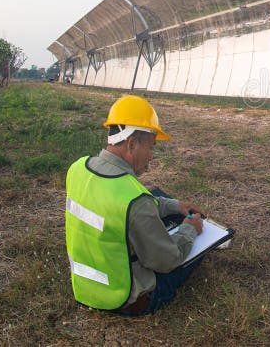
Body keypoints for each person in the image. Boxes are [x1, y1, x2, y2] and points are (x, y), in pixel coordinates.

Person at [65, 94, 204, 316]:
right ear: (131, 144)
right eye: (151, 147)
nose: (151, 156)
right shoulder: (137, 201)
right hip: (127, 299)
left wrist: (172, 205)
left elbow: (117, 204)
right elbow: (167, 260)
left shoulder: (77, 169)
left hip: (84, 287)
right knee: (194, 247)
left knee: (154, 196)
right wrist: (190, 230)